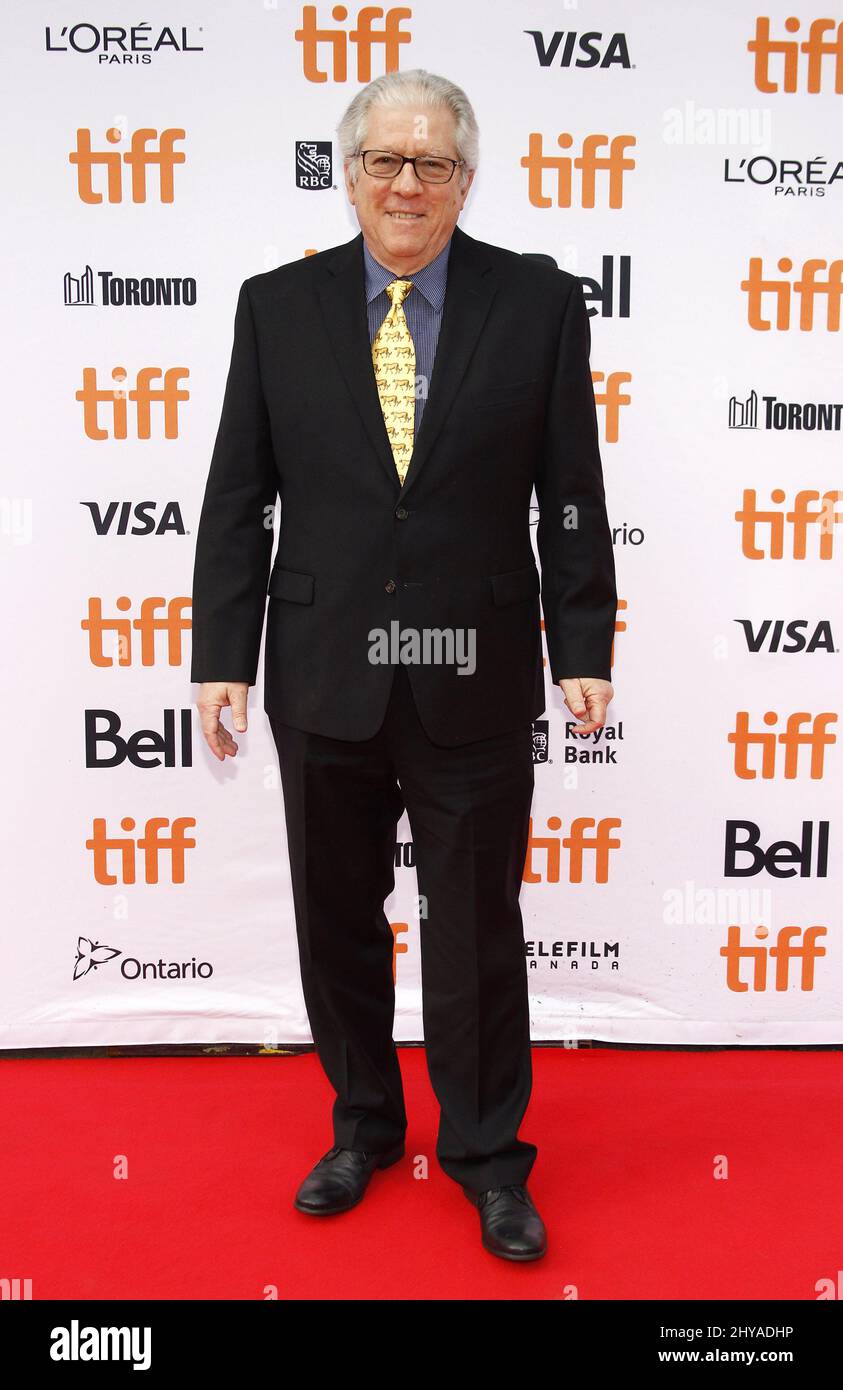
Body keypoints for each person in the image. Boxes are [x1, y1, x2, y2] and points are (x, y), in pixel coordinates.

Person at [190, 68, 617, 1262]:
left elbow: (571, 493)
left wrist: (582, 640)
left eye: (432, 163)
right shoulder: (275, 306)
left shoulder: (534, 304)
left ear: (466, 179)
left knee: (476, 926)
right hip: (324, 668)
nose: (407, 184)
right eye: (385, 160)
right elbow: (238, 495)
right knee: (335, 917)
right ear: (350, 171)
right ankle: (365, 1125)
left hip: (470, 669)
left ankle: (486, 1156)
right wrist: (222, 653)